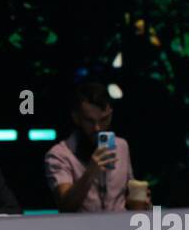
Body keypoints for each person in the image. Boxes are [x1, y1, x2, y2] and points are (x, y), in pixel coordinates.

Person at [44, 82, 151, 213]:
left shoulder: (121, 146)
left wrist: (139, 201)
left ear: (111, 114)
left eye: (104, 119)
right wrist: (90, 171)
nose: (97, 128)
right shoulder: (59, 154)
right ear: (76, 118)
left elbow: (126, 199)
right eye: (89, 121)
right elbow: (65, 206)